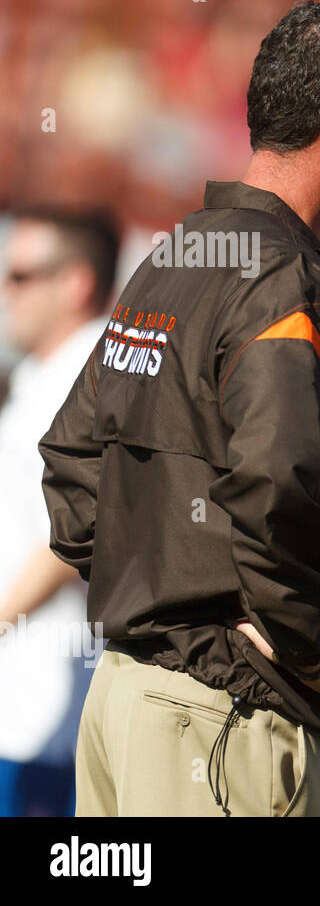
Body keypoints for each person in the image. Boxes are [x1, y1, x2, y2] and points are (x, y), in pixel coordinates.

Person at [39, 0, 320, 817]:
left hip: (121, 704)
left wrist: (159, 609)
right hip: (225, 724)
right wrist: (297, 647)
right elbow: (276, 489)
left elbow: (72, 469)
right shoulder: (284, 278)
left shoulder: (176, 254)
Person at [0, 208, 118, 816]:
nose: (6, 292)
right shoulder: (45, 374)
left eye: (21, 276)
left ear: (75, 281)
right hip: (25, 698)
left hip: (43, 706)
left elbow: (74, 527)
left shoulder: (84, 377)